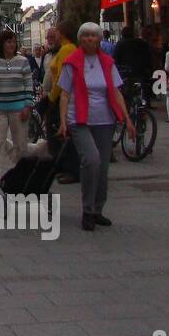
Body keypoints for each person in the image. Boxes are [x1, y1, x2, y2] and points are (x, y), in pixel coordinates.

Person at [57, 22, 134, 233]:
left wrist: (127, 118)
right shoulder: (71, 62)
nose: (89, 39)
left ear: (99, 39)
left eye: (93, 36)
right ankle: (87, 209)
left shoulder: (107, 62)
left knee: (102, 168)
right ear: (80, 39)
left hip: (105, 120)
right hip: (80, 120)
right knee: (91, 160)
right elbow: (64, 93)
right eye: (85, 36)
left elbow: (116, 92)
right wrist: (63, 121)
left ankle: (97, 210)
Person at [0, 29, 33, 187]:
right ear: (2, 44)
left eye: (13, 41)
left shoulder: (23, 61)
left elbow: (28, 84)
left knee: (20, 142)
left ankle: (20, 172)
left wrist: (27, 105)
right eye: (8, 41)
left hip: (19, 108)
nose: (11, 44)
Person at [44, 19, 80, 184]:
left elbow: (61, 77)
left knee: (63, 134)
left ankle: (70, 169)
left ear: (63, 33)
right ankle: (66, 167)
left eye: (57, 31)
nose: (54, 34)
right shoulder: (66, 48)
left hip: (61, 98)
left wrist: (51, 97)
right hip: (59, 96)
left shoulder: (67, 49)